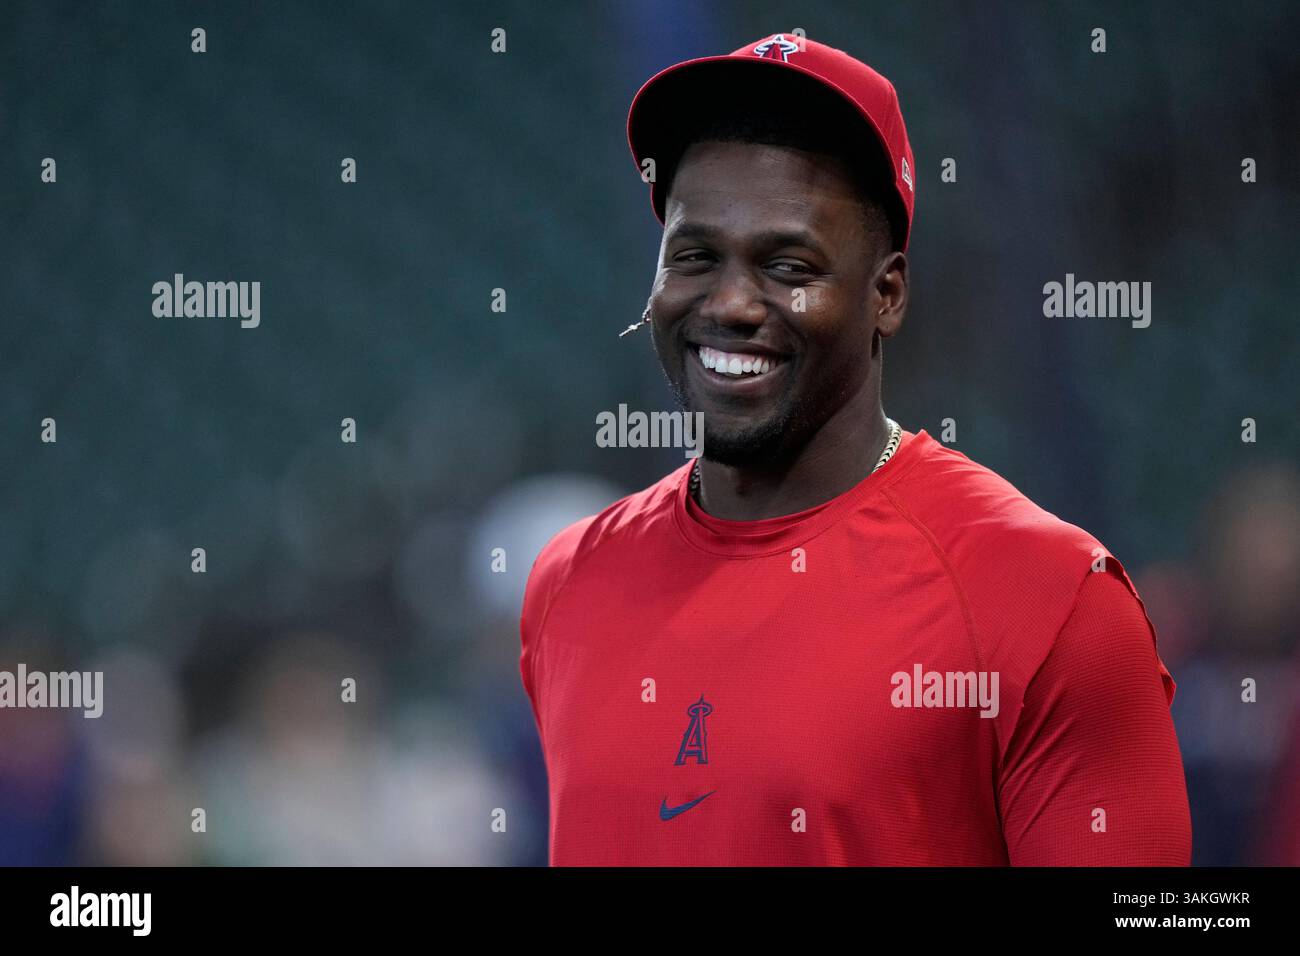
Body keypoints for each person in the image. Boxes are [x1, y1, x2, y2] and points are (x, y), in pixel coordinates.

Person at [519, 32, 1191, 865]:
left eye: (787, 264)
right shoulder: (568, 584)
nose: (729, 302)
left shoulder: (1049, 601)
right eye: (694, 256)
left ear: (887, 295)